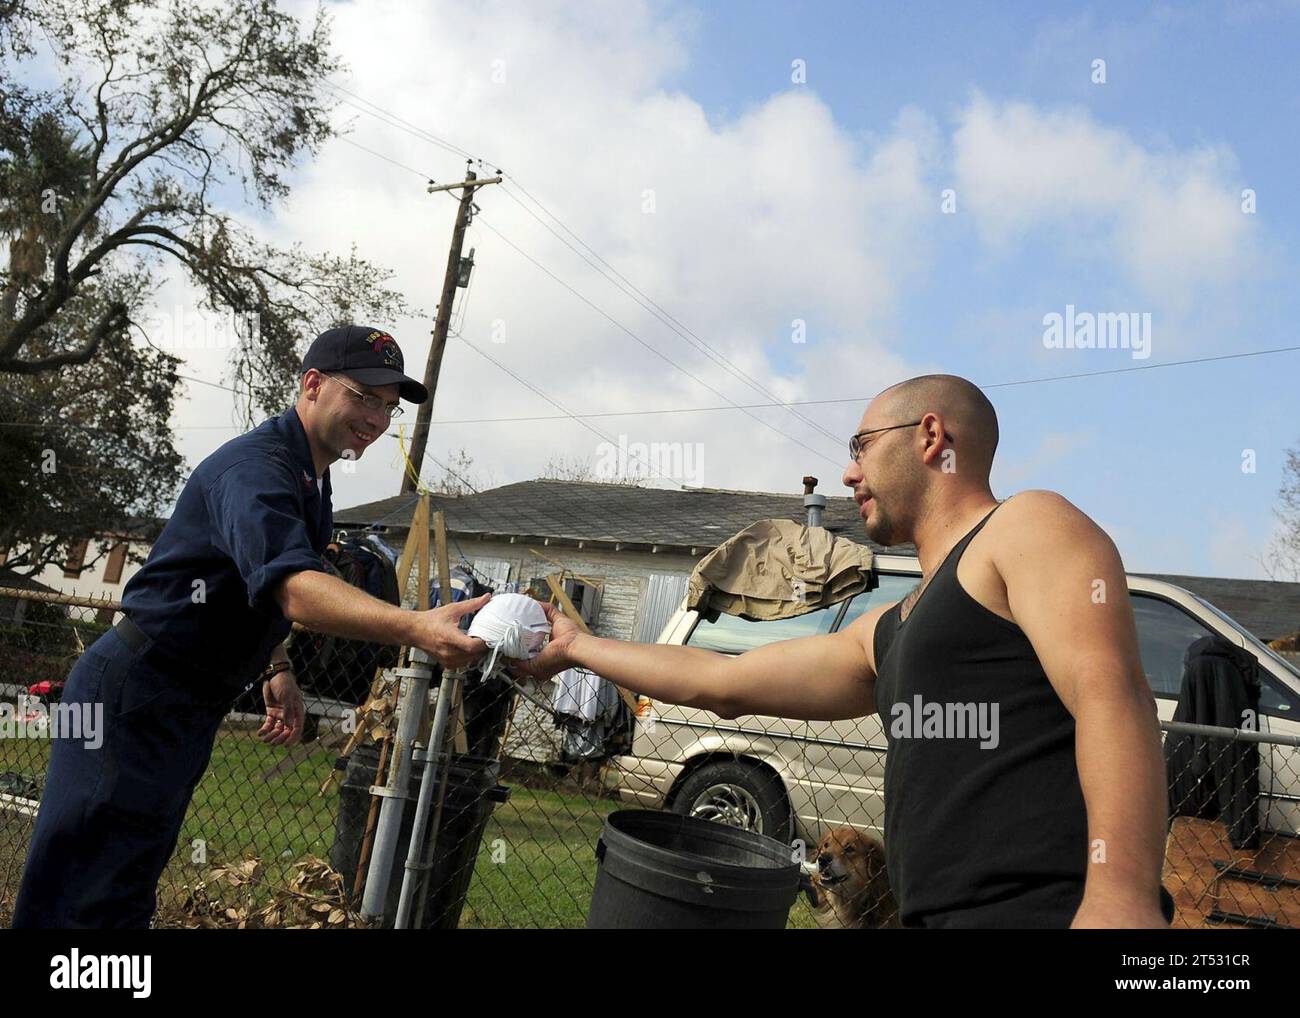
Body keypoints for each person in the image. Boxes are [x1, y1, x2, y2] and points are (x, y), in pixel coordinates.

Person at [518, 374, 1174, 929]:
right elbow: (726, 682)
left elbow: (1108, 695)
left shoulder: (1027, 526)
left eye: (862, 445)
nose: (848, 471)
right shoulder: (888, 627)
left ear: (930, 436)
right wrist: (579, 645)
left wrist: (1121, 895)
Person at [13, 324, 490, 928]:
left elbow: (255, 584)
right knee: (83, 882)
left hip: (181, 699)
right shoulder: (256, 469)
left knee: (126, 875)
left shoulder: (309, 475)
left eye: (388, 407)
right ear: (312, 385)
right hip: (134, 694)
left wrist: (278, 665)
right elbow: (292, 586)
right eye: (364, 396)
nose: (375, 417)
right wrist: (415, 626)